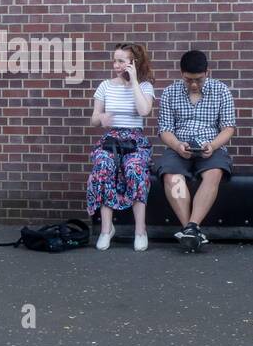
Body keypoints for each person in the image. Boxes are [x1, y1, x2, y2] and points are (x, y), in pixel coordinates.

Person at [154, 50, 236, 253]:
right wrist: (177, 146)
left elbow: (228, 128)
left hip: (211, 144)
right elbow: (165, 130)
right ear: (181, 73)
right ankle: (191, 230)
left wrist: (214, 146)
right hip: (179, 145)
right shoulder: (170, 92)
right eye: (188, 79)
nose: (193, 84)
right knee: (172, 176)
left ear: (207, 72)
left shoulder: (221, 90)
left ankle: (191, 228)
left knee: (214, 173)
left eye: (198, 80)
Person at [87, 43, 156, 251]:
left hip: (135, 141)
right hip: (111, 139)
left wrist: (134, 81)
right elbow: (93, 120)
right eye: (114, 60)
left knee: (134, 168)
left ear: (134, 63)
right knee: (103, 166)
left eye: (121, 61)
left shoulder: (145, 86)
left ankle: (140, 230)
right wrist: (101, 118)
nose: (116, 65)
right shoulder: (105, 86)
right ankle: (107, 229)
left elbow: (144, 111)